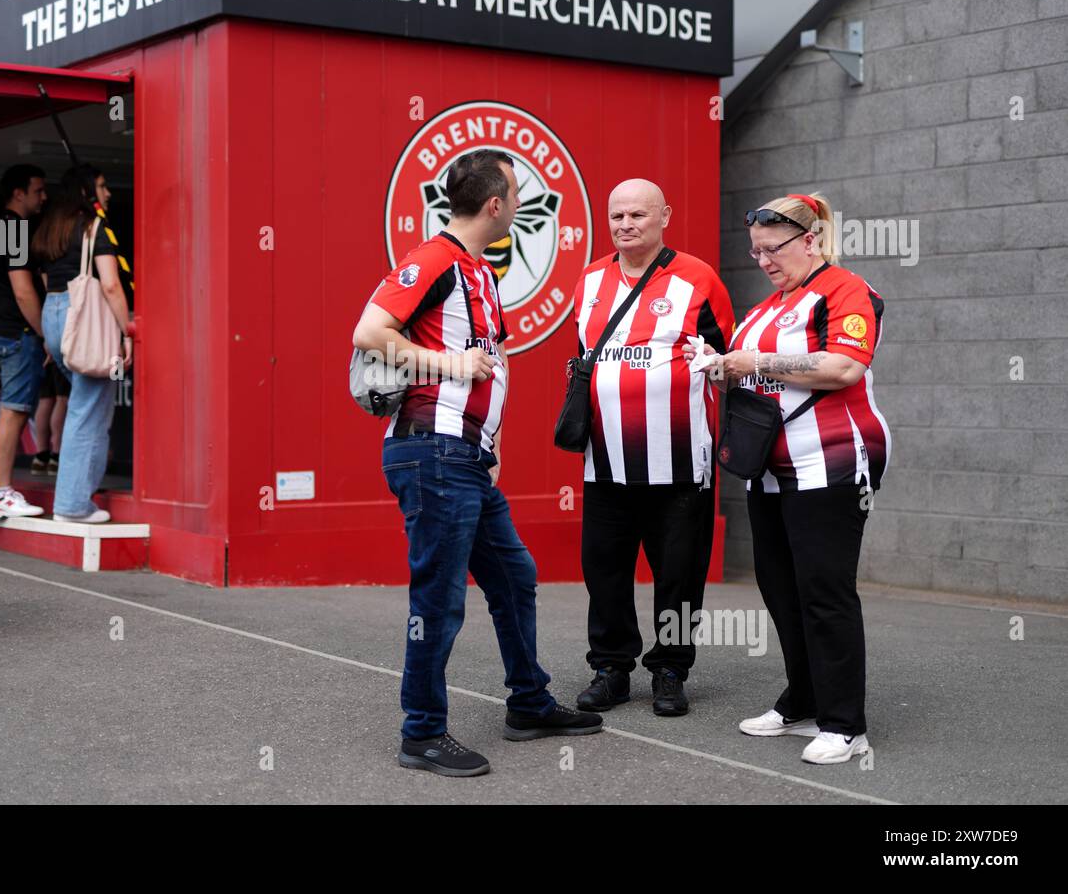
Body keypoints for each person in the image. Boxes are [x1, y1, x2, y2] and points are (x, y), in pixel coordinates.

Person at [353, 149, 603, 778]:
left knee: (514, 579)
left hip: (464, 458)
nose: (519, 205)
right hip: (433, 452)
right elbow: (369, 330)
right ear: (495, 204)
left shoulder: (478, 271)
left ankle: (528, 702)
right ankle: (422, 734)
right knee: (438, 598)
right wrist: (450, 364)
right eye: (516, 195)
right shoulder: (434, 259)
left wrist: (490, 449)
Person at [684, 191, 890, 765]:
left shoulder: (847, 290)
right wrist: (719, 363)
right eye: (756, 252)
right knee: (781, 592)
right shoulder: (765, 308)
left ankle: (846, 725)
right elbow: (751, 377)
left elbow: (844, 366)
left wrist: (752, 361)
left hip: (832, 460)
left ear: (812, 239)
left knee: (825, 592)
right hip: (769, 469)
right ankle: (803, 701)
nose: (765, 261)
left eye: (773, 249)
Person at [571, 179, 735, 717]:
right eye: (616, 215)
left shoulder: (697, 278)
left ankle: (670, 668)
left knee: (679, 573)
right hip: (607, 460)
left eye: (637, 214)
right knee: (606, 571)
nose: (625, 224)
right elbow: (584, 357)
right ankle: (611, 668)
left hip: (682, 459)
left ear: (664, 214)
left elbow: (726, 359)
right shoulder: (591, 279)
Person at [33, 165, 131, 523]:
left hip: (54, 316)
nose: (108, 194)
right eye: (103, 187)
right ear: (87, 192)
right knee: (87, 412)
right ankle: (73, 504)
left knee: (82, 405)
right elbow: (109, 285)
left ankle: (75, 497)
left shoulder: (50, 230)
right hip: (85, 319)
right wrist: (127, 330)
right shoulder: (94, 227)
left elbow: (47, 282)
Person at [0, 165, 47, 517]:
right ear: (18, 193)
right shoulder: (16, 230)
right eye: (38, 190)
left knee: (13, 411)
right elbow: (23, 291)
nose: (44, 197)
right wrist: (45, 333)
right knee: (13, 411)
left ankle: (0, 490)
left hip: (0, 330)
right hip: (16, 333)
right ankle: (0, 491)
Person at [30, 362, 68, 474]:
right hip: (60, 351)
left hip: (42, 351)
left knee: (45, 399)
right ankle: (56, 456)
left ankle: (41, 456)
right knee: (62, 399)